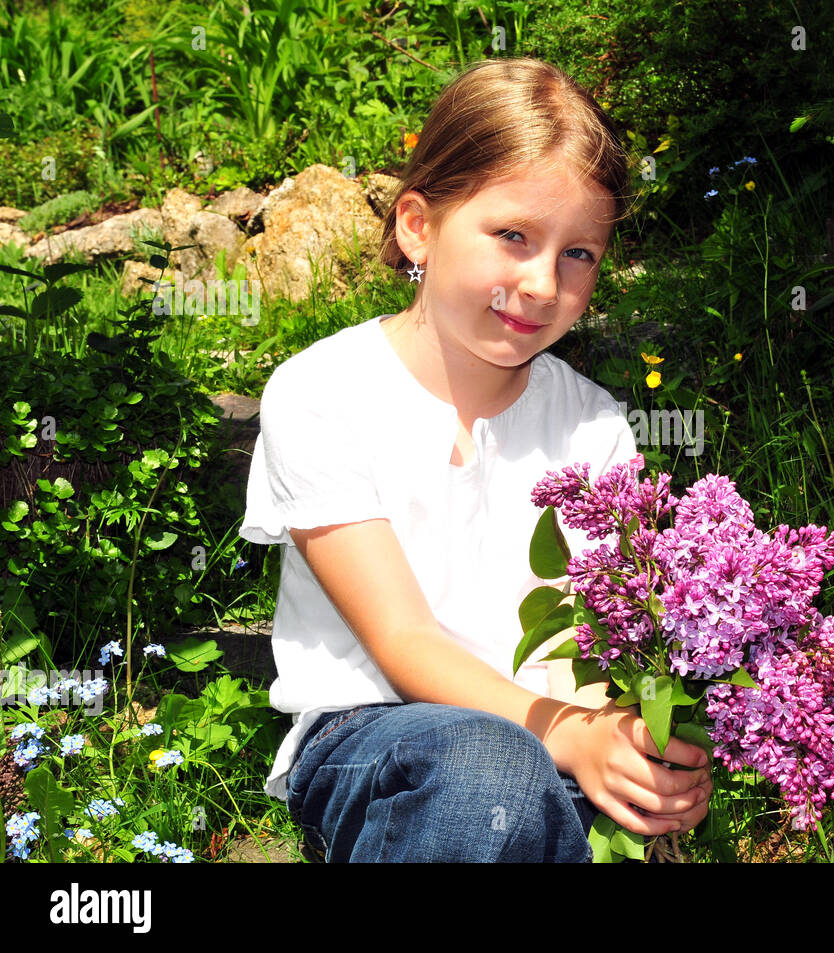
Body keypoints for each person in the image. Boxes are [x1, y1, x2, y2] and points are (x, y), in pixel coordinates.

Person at [238, 57, 712, 862]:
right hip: (378, 739)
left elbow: (593, 644)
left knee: (539, 787)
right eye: (514, 235)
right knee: (492, 766)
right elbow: (403, 639)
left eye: (579, 254)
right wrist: (572, 735)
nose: (540, 282)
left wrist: (627, 749)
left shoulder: (593, 426)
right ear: (417, 225)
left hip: (552, 742)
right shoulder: (322, 392)